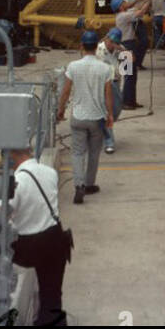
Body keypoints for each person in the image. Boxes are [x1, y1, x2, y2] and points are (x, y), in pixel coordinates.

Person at [9, 146, 68, 326]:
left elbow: (2, 211)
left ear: (11, 156)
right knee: (52, 291)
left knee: (18, 289)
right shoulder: (50, 172)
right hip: (55, 237)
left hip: (29, 244)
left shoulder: (16, 182)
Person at [57, 29, 114, 203]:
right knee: (94, 153)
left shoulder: (73, 66)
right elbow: (108, 95)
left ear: (81, 46)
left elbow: (66, 91)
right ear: (97, 46)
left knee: (77, 153)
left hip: (78, 117)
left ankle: (78, 185)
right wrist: (110, 115)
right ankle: (89, 184)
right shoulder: (105, 68)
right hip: (96, 118)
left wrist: (60, 111)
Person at [113, 0, 153, 109]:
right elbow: (141, 12)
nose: (126, 3)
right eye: (124, 3)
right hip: (126, 46)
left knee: (132, 75)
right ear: (120, 7)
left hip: (127, 45)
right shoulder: (124, 16)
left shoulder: (123, 14)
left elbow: (135, 7)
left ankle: (130, 100)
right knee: (129, 76)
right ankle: (126, 102)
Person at [95, 29, 124, 153]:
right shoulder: (99, 50)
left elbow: (129, 66)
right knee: (107, 112)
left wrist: (124, 52)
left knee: (116, 110)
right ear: (106, 38)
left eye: (114, 42)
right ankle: (109, 141)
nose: (111, 44)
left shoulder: (120, 49)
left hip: (116, 83)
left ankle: (101, 130)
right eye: (110, 41)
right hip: (102, 84)